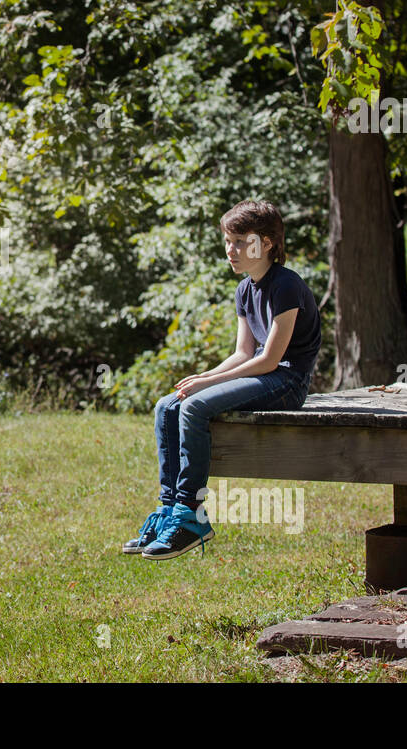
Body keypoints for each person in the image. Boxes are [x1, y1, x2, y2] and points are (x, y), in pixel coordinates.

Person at [123, 199, 322, 561]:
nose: (231, 250)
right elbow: (243, 353)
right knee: (168, 405)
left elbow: (271, 359)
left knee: (195, 406)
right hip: (264, 372)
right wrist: (204, 376)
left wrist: (206, 387)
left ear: (267, 244)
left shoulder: (286, 286)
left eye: (241, 241)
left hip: (287, 383)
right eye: (228, 241)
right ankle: (169, 510)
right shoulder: (245, 289)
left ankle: (192, 516)